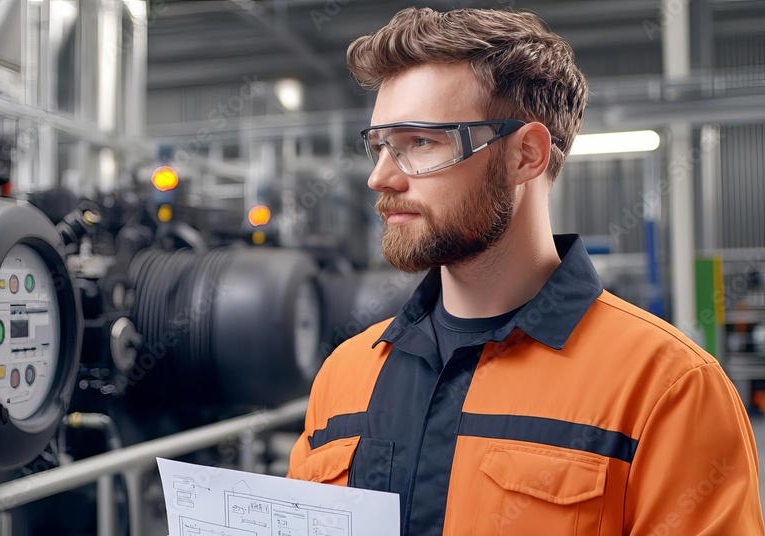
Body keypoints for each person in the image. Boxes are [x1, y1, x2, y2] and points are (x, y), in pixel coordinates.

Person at [287, 7, 765, 536]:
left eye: (420, 143)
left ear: (525, 156)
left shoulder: (666, 389)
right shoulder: (344, 376)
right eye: (380, 145)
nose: (381, 178)